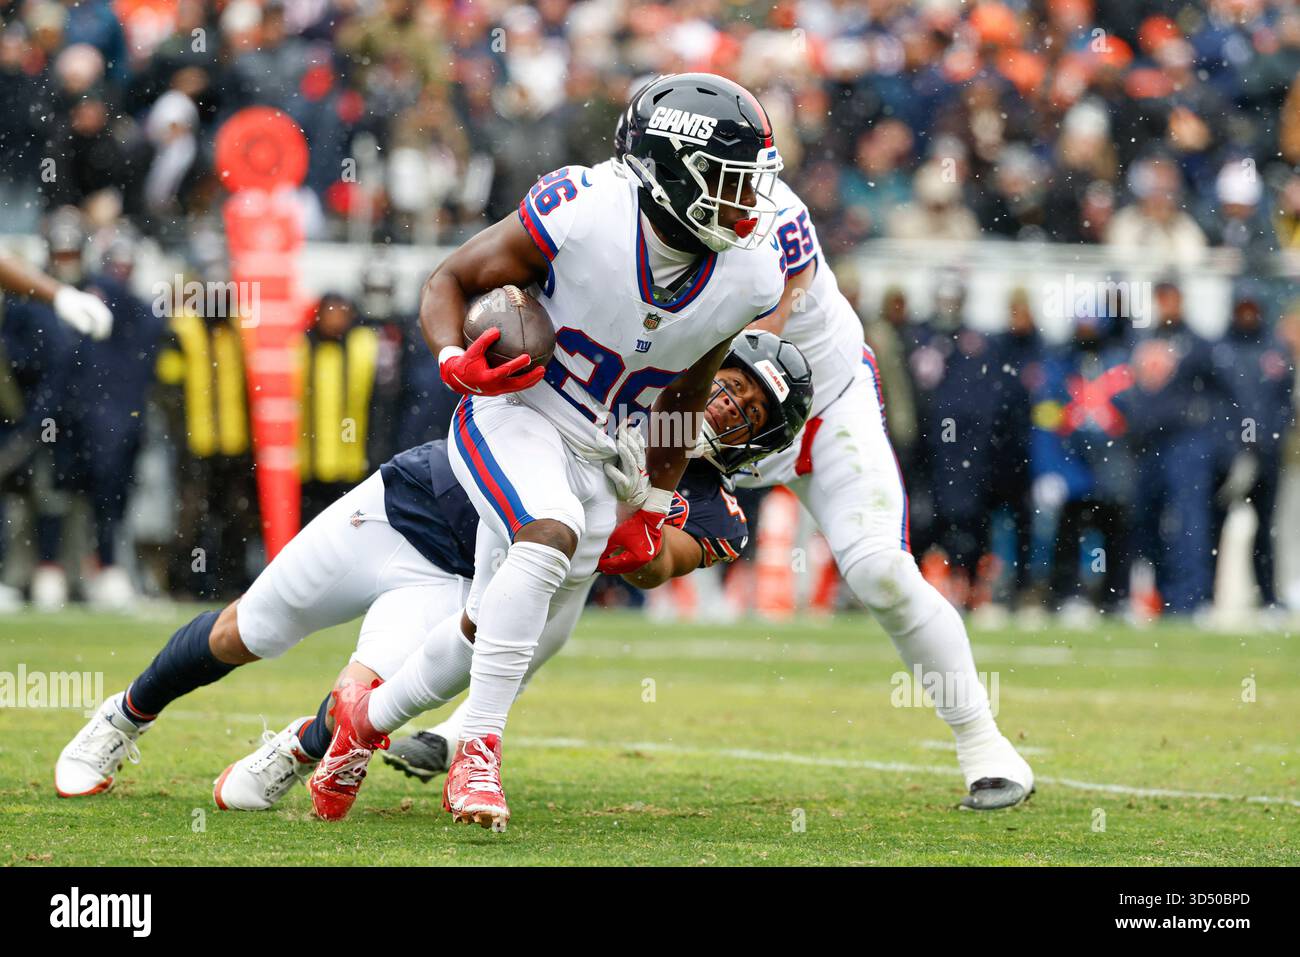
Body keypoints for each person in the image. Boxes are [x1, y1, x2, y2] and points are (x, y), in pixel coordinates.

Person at [304, 73, 789, 831]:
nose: (750, 206)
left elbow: (688, 386)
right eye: (731, 185)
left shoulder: (749, 273)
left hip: (607, 443)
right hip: (516, 408)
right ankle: (478, 752)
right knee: (548, 532)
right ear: (670, 170)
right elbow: (451, 279)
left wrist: (656, 508)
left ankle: (362, 724)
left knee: (504, 626)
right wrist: (449, 358)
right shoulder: (583, 209)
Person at [52, 334, 810, 808]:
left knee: (374, 687)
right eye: (729, 382)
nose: (723, 406)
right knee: (247, 629)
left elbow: (660, 563)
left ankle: (296, 750)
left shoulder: (718, 507)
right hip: (413, 500)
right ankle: (124, 715)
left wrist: (638, 540)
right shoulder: (643, 382)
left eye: (746, 408)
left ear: (761, 439)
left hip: (467, 572)